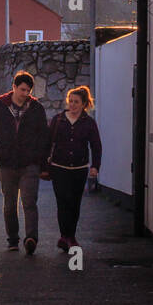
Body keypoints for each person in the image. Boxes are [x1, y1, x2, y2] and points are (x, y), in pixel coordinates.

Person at [0, 71, 50, 253]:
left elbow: (44, 137)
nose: (25, 94)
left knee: (29, 202)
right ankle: (13, 240)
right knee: (10, 204)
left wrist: (41, 162)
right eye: (22, 89)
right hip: (6, 163)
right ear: (13, 87)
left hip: (30, 164)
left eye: (28, 90)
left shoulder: (36, 108)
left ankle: (31, 239)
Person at [42, 85, 102, 250]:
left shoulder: (89, 123)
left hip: (79, 169)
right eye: (71, 101)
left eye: (77, 102)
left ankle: (70, 236)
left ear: (84, 104)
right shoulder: (58, 120)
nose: (73, 105)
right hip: (59, 168)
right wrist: (44, 166)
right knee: (63, 202)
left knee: (74, 203)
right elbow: (47, 144)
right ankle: (65, 236)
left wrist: (95, 166)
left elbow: (96, 146)